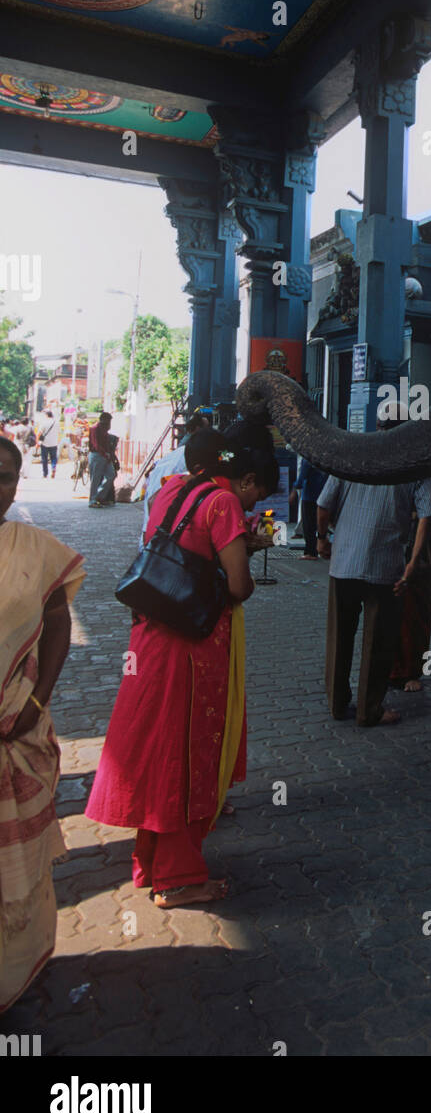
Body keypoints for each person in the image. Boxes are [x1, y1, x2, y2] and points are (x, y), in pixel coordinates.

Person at [85, 432, 276, 908]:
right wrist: (247, 553)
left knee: (157, 747)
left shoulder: (171, 488)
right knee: (187, 754)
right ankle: (179, 877)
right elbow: (238, 587)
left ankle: (149, 862)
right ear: (240, 476)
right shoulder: (224, 504)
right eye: (254, 488)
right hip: (191, 648)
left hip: (150, 633)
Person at [0, 434, 85, 1011]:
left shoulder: (37, 548)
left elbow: (58, 620)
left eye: (5, 475)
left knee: (17, 868)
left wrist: (34, 703)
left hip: (15, 733)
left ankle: (13, 969)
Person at [316, 408, 431, 727]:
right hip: (386, 569)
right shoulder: (414, 465)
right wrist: (412, 562)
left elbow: (323, 505)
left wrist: (322, 539)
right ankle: (369, 709)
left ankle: (336, 703)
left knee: (339, 636)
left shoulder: (353, 457)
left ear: (379, 427)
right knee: (379, 641)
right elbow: (428, 516)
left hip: (345, 562)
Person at [389, 477, 431, 692]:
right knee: (389, 617)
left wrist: (422, 513)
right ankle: (392, 669)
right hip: (389, 555)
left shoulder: (424, 481)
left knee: (416, 618)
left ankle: (412, 671)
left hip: (419, 561)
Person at [139, 412, 210, 545]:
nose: (208, 431)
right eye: (206, 428)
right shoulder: (187, 453)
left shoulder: (185, 450)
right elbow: (152, 502)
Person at [289, 456, 329, 559]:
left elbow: (302, 477)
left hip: (310, 495)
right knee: (321, 523)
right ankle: (322, 547)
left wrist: (294, 490)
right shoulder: (326, 457)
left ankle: (310, 552)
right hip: (324, 494)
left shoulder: (308, 458)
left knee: (309, 525)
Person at [87, 411, 117, 508]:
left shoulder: (105, 430)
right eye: (108, 422)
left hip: (105, 456)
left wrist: (109, 455)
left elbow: (107, 444)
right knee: (95, 478)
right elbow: (96, 445)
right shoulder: (95, 429)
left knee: (111, 475)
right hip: (96, 455)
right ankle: (92, 500)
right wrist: (105, 454)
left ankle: (100, 497)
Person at [38, 407, 59, 479]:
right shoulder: (56, 423)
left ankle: (45, 474)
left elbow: (39, 433)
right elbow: (59, 433)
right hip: (54, 443)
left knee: (44, 459)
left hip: (45, 443)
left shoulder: (44, 422)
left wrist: (37, 442)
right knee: (53, 458)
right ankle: (53, 467)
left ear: (46, 415)